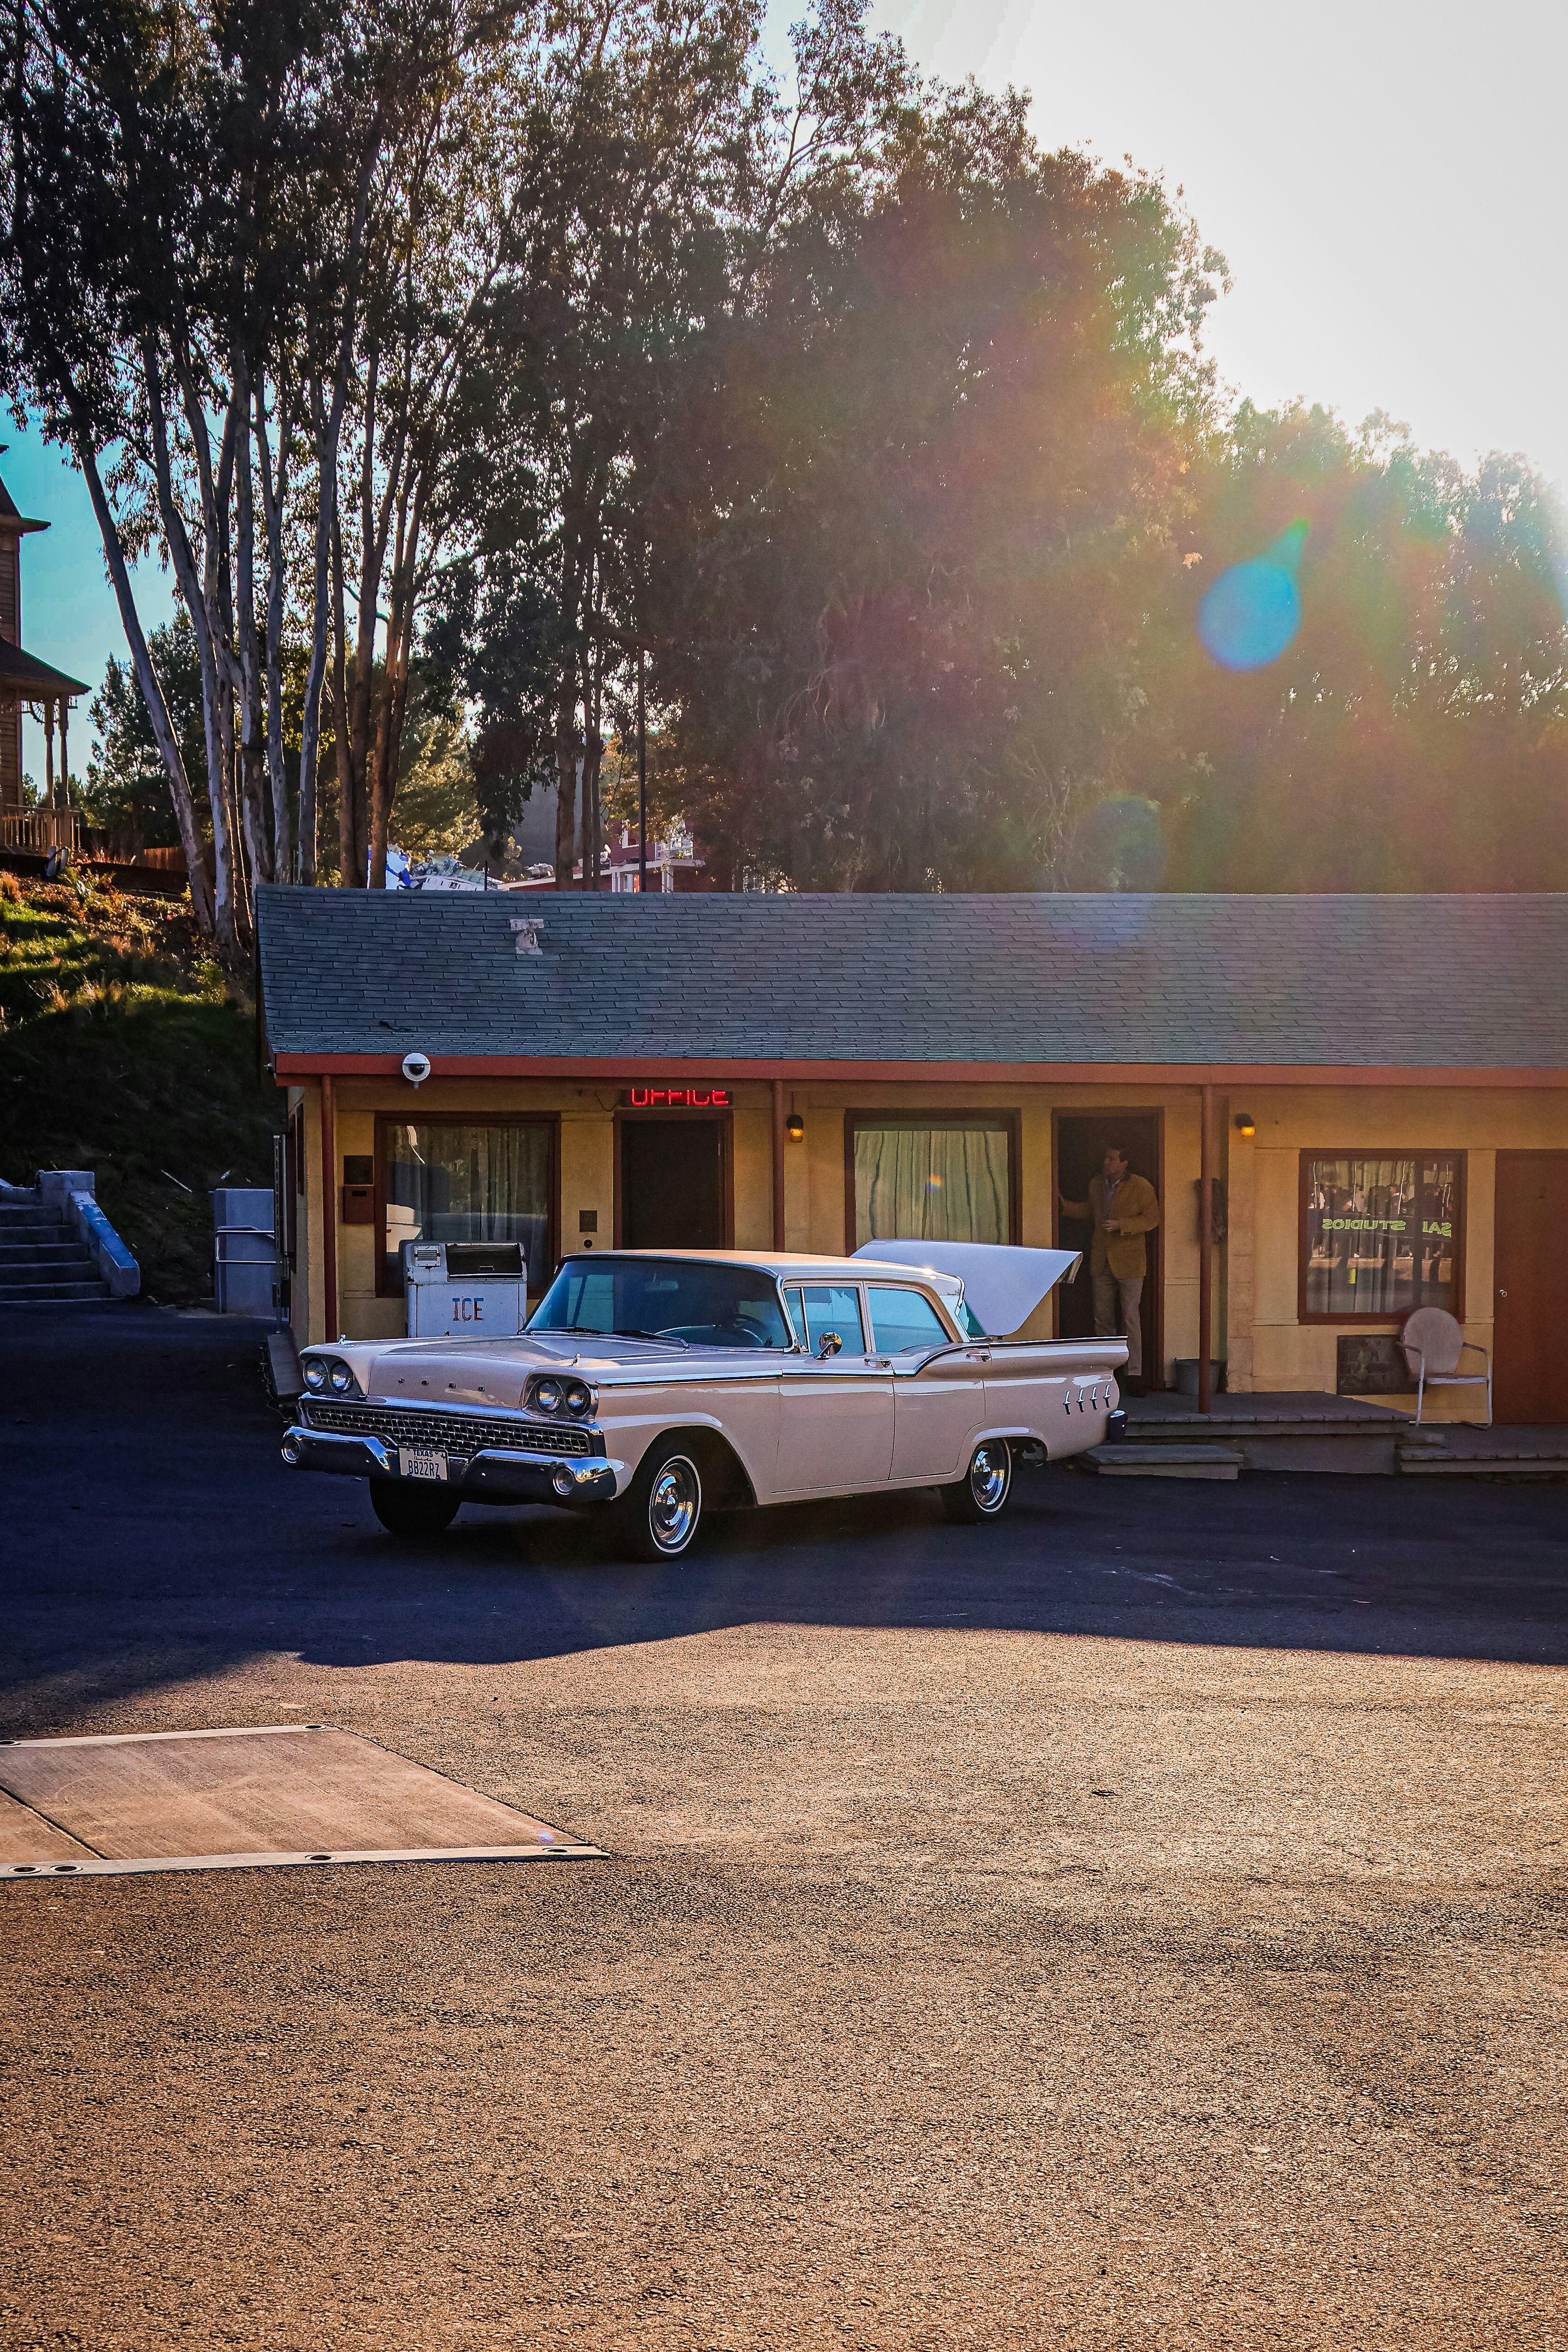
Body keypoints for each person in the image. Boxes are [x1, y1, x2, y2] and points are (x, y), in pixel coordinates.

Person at [1058, 1143, 1162, 1395]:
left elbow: (1152, 1219)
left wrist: (1121, 1225)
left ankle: (1135, 1373)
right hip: (1101, 1259)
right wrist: (1064, 1206)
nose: (1106, 1163)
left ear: (1125, 1163)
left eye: (1112, 1159)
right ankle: (1108, 1371)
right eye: (1106, 1158)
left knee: (1130, 1317)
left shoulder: (1141, 1186)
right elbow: (1089, 1211)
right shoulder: (1096, 1184)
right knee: (1102, 1317)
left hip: (1131, 1262)